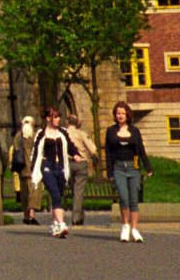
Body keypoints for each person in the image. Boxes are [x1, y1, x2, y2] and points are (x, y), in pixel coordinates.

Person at [104, 99, 152, 242]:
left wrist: (148, 167)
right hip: (119, 167)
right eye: (118, 113)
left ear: (127, 115)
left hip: (133, 167)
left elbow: (141, 150)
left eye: (123, 113)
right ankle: (125, 225)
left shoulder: (135, 131)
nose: (120, 116)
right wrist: (109, 171)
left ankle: (135, 228)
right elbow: (108, 152)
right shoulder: (111, 131)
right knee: (123, 197)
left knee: (133, 199)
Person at [30, 105, 74, 238]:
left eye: (59, 117)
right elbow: (36, 151)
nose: (58, 119)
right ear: (48, 118)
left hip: (60, 166)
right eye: (55, 117)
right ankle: (61, 224)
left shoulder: (63, 132)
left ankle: (55, 224)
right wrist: (34, 169)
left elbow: (70, 146)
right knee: (54, 193)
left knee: (58, 195)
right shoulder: (41, 133)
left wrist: (76, 154)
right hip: (47, 166)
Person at [65, 112, 97, 227]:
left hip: (67, 163)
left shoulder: (63, 134)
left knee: (74, 189)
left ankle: (79, 214)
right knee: (79, 190)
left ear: (67, 122)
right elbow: (93, 150)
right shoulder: (81, 134)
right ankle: (76, 217)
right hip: (81, 163)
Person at [9, 114, 39, 224]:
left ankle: (26, 215)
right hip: (33, 168)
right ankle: (31, 214)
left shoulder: (18, 136)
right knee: (34, 192)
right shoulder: (35, 136)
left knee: (24, 193)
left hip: (21, 167)